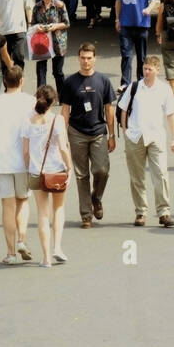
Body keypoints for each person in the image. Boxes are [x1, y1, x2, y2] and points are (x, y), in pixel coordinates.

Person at [0, 64, 36, 264]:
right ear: (21, 81)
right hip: (24, 160)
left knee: (7, 205)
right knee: (23, 200)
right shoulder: (31, 101)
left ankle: (11, 253)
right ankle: (22, 238)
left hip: (0, 160)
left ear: (4, 82)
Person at [58, 43, 117, 229]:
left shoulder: (103, 81)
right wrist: (62, 135)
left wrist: (112, 134)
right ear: (78, 59)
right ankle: (86, 215)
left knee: (102, 170)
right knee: (81, 175)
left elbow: (109, 109)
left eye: (89, 58)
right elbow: (65, 110)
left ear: (95, 59)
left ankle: (96, 197)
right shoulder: (70, 82)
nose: (86, 61)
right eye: (83, 58)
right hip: (76, 133)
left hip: (98, 132)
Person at [117, 57, 174, 227]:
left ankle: (164, 212)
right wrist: (126, 131)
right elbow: (123, 109)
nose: (146, 72)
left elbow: (171, 114)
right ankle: (141, 212)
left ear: (157, 70)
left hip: (156, 137)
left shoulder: (165, 89)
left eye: (149, 69)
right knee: (137, 177)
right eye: (145, 69)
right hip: (135, 136)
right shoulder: (135, 87)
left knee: (160, 174)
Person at [21, 84, 72, 266]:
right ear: (53, 102)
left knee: (42, 213)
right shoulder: (57, 120)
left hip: (36, 171)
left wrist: (29, 168)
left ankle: (46, 258)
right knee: (58, 209)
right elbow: (63, 148)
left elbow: (26, 151)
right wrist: (69, 167)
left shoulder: (28, 119)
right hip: (56, 170)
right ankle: (57, 247)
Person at [115, 0, 157, 87]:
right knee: (126, 55)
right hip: (126, 25)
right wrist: (117, 19)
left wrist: (148, 9)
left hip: (141, 24)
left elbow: (153, 0)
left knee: (142, 56)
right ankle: (125, 83)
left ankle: (140, 81)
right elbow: (118, 2)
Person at [30, 0, 70, 98]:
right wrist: (38, 27)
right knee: (41, 70)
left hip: (58, 42)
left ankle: (62, 95)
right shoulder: (37, 7)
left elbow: (67, 23)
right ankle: (42, 95)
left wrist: (55, 26)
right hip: (42, 42)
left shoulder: (59, 5)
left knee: (57, 71)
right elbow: (33, 24)